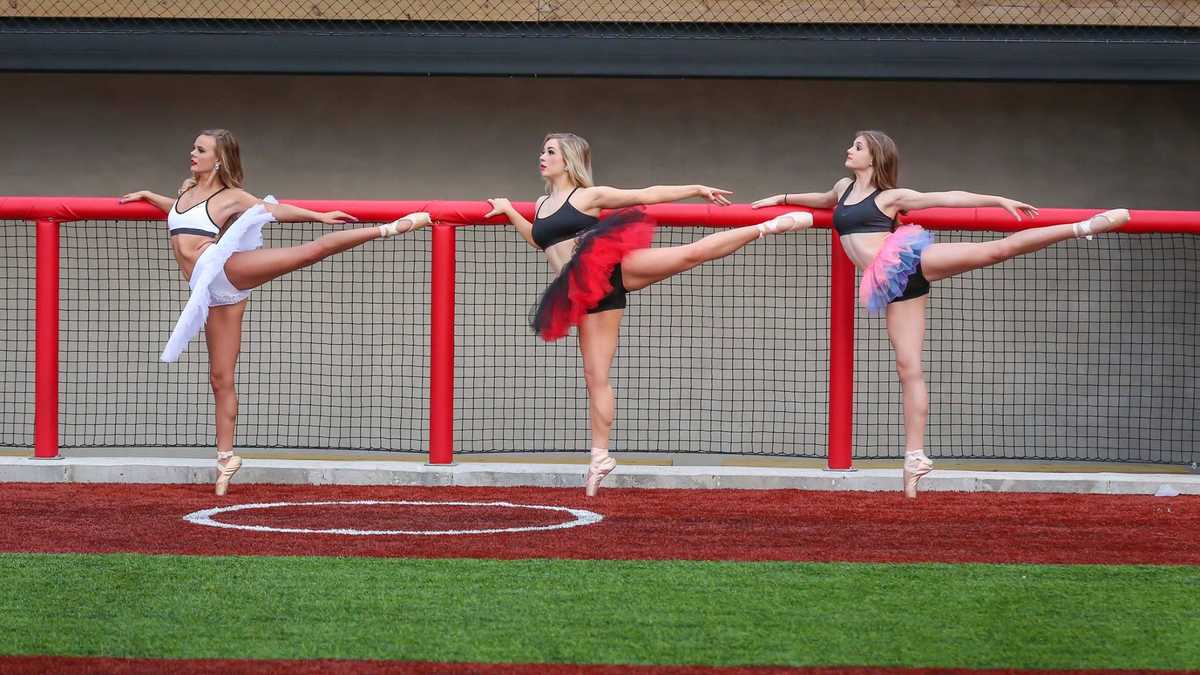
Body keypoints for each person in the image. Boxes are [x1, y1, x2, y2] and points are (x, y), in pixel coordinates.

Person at [752, 129, 1128, 498]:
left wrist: (996, 199)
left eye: (858, 146)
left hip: (910, 259)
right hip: (894, 287)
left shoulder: (891, 196)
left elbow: (946, 198)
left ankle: (1082, 227)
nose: (849, 149)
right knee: (907, 367)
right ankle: (915, 458)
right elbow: (821, 199)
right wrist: (780, 197)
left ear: (875, 157)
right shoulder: (842, 188)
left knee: (996, 251)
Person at [486, 132, 811, 496]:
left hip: (607, 269)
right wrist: (511, 210)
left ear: (569, 159)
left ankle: (766, 227)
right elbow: (540, 239)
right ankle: (600, 457)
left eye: (550, 152)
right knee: (594, 376)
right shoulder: (542, 202)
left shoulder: (588, 196)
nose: (541, 157)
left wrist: (696, 188)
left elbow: (645, 194)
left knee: (689, 255)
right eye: (542, 151)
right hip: (578, 293)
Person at [120, 128, 429, 495]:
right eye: (193, 147)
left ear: (219, 159)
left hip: (222, 269)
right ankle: (226, 458)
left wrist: (318, 215)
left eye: (200, 149)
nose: (192, 153)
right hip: (211, 294)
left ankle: (390, 228)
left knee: (309, 252)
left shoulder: (230, 196)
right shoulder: (186, 194)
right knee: (220, 376)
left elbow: (272, 210)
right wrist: (147, 195)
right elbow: (176, 211)